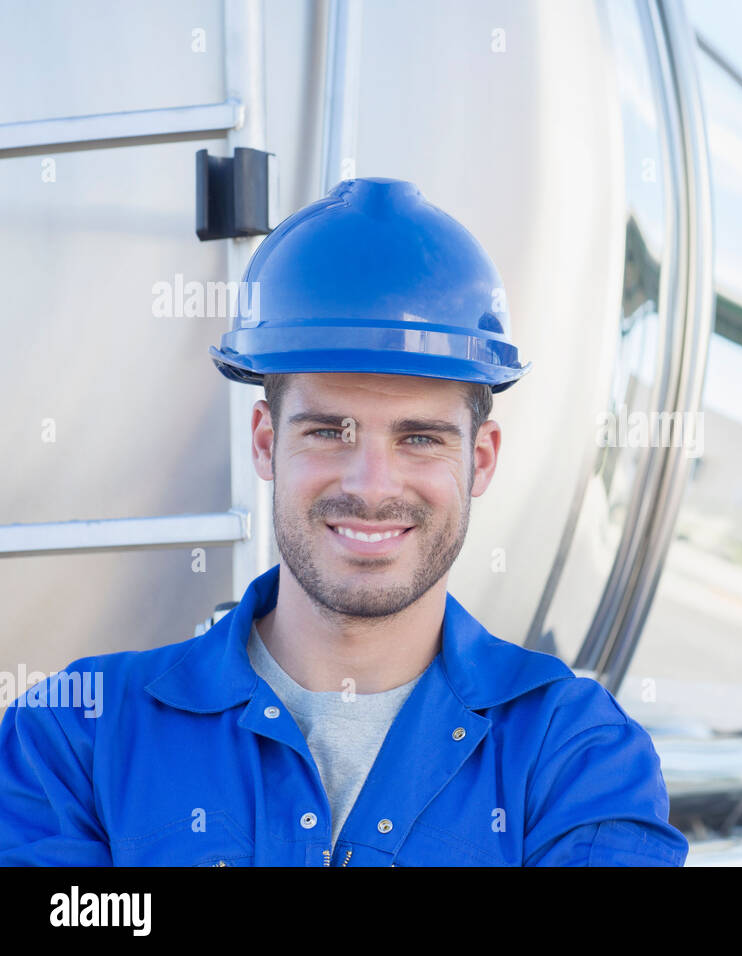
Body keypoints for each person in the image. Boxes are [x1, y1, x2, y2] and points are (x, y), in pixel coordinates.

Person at [0, 178, 689, 866]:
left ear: (480, 460)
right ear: (266, 442)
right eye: (329, 431)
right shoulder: (76, 735)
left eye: (419, 438)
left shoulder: (574, 756)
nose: (370, 487)